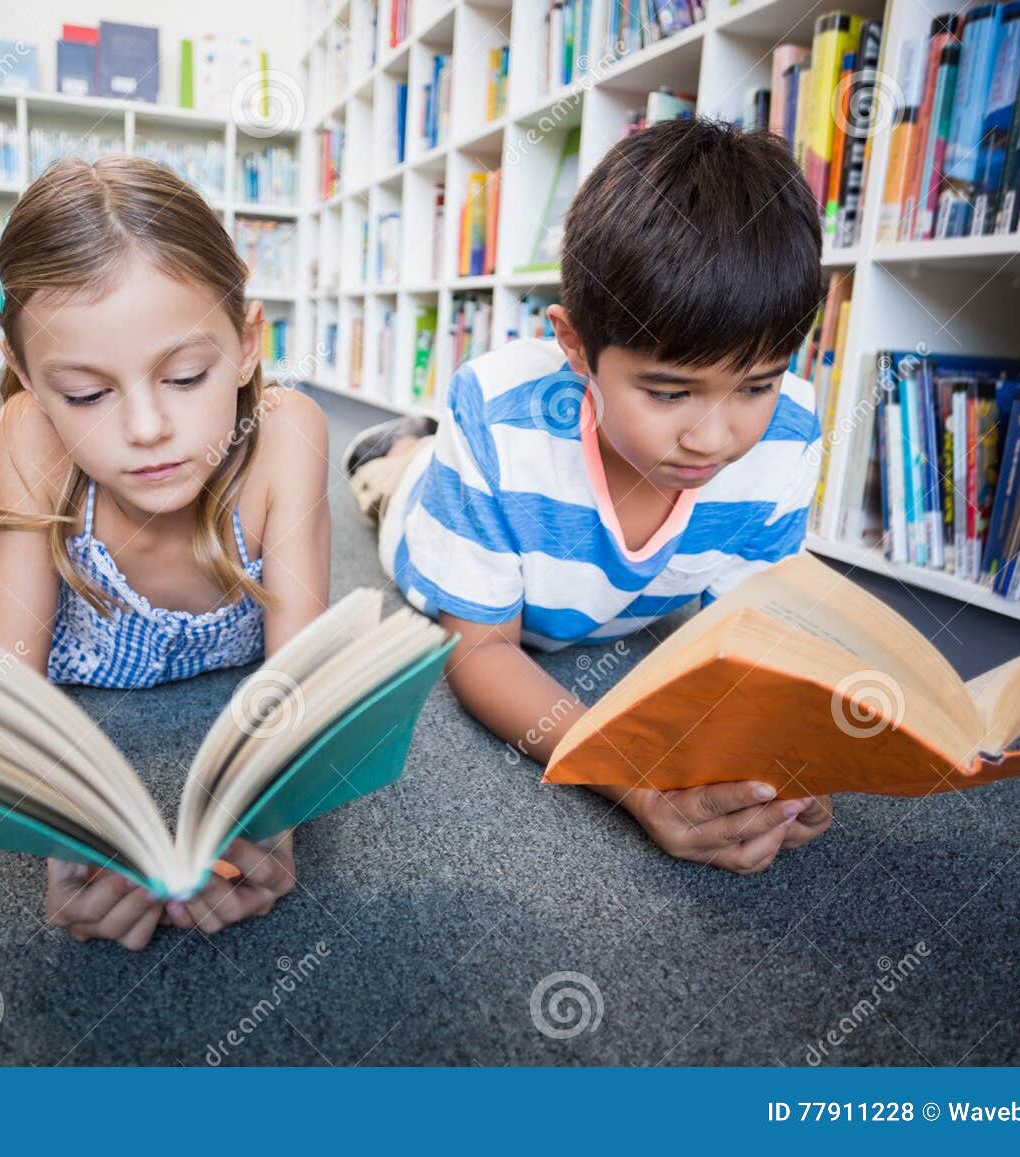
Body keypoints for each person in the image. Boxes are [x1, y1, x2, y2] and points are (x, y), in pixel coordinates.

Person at [345, 118, 834, 875]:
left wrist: (779, 763)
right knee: (390, 479)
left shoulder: (788, 433)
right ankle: (399, 447)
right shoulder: (498, 411)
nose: (713, 437)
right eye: (670, 392)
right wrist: (635, 780)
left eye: (756, 385)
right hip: (416, 512)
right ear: (575, 346)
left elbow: (752, 634)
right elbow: (478, 647)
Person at [0, 156, 330, 947]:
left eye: (187, 375)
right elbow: (3, 684)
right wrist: (55, 834)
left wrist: (279, 823)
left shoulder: (286, 434)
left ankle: (392, 467)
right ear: (25, 374)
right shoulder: (30, 433)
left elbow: (303, 678)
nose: (147, 428)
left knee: (387, 485)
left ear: (247, 344)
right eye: (88, 394)